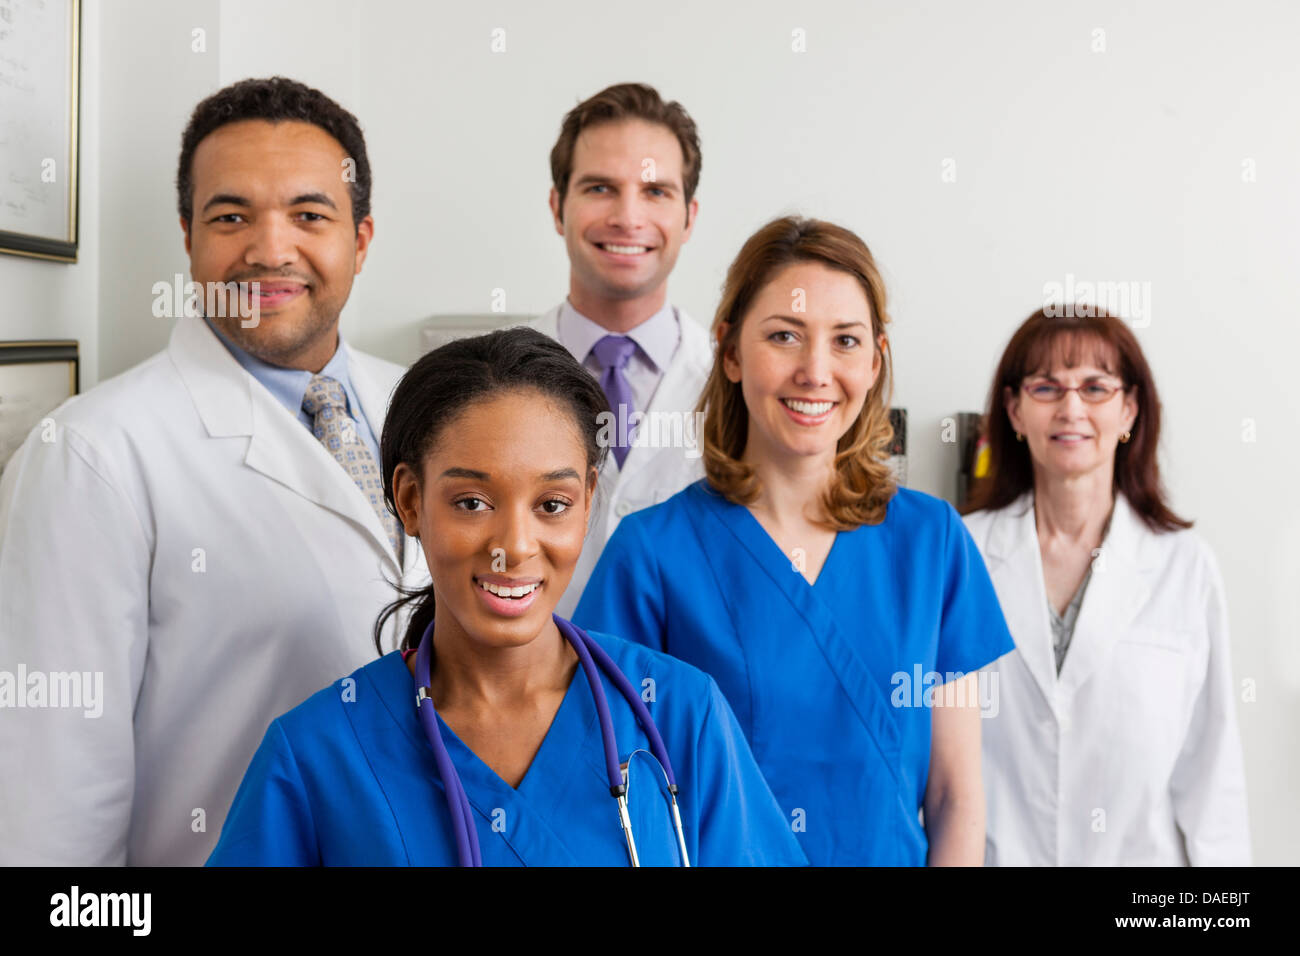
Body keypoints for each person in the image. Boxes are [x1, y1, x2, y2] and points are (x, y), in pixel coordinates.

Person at [0, 77, 429, 865]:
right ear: (189, 237)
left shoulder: (430, 405)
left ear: (361, 240)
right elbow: (51, 809)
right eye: (231, 217)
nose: (269, 250)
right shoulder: (92, 457)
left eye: (309, 214)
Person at [206, 328, 806, 866]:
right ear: (411, 500)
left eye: (552, 505)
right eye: (472, 503)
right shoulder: (318, 753)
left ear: (588, 500)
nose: (514, 547)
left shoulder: (680, 715)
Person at [574, 216, 1014, 865]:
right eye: (784, 336)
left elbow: (955, 797)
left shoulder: (932, 544)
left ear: (873, 362)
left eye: (845, 341)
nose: (815, 371)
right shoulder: (652, 557)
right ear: (729, 351)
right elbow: (614, 794)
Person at [960, 307, 1251, 865]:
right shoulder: (961, 556)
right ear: (1014, 411)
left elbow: (1212, 777)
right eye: (1046, 387)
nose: (1071, 408)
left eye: (1095, 387)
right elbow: (928, 766)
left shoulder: (1184, 567)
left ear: (1129, 411)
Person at [530, 83, 712, 618]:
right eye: (601, 188)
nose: (628, 217)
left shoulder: (739, 385)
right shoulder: (490, 379)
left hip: (687, 692)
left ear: (689, 217)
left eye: (656, 191)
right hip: (525, 686)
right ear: (558, 208)